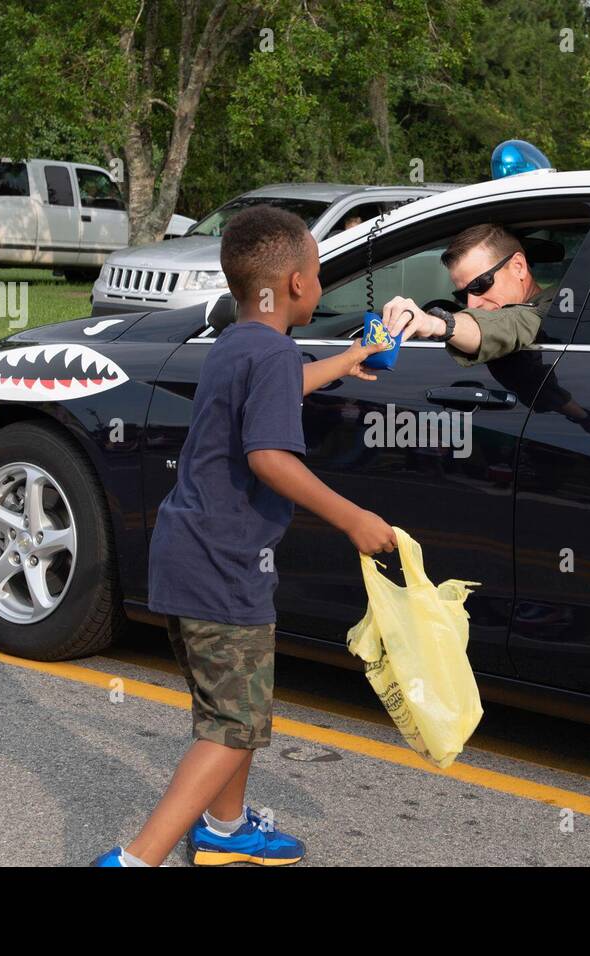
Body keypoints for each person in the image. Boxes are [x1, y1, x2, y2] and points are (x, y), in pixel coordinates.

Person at [94, 205, 396, 867]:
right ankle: (136, 859)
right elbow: (269, 456)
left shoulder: (241, 341)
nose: (320, 286)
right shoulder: (269, 352)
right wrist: (353, 519)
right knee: (234, 725)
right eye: (317, 274)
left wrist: (348, 359)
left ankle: (226, 833)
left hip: (190, 554)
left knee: (233, 711)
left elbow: (279, 386)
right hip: (222, 566)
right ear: (293, 285)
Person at [379, 223, 550, 365]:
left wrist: (435, 324)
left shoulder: (555, 307)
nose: (472, 304)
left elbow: (512, 323)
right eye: (463, 294)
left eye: (480, 284)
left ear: (518, 266)